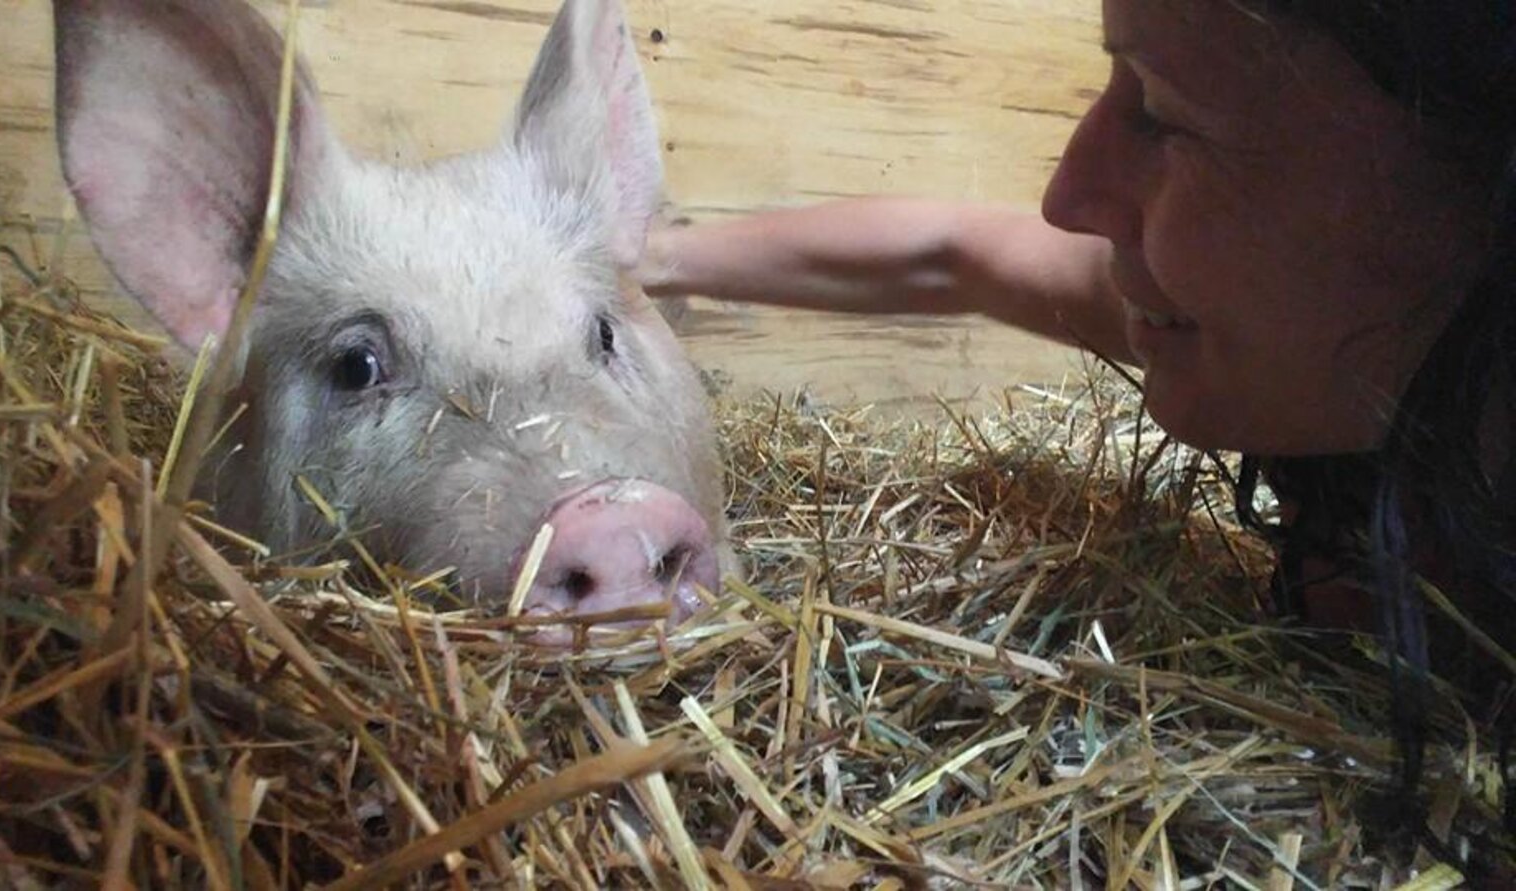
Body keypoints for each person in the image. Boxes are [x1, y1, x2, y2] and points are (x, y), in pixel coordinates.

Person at [641, 0, 1516, 846]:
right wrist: (641, 261)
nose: (1065, 195)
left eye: (1161, 113)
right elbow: (951, 250)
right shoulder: (1316, 331)